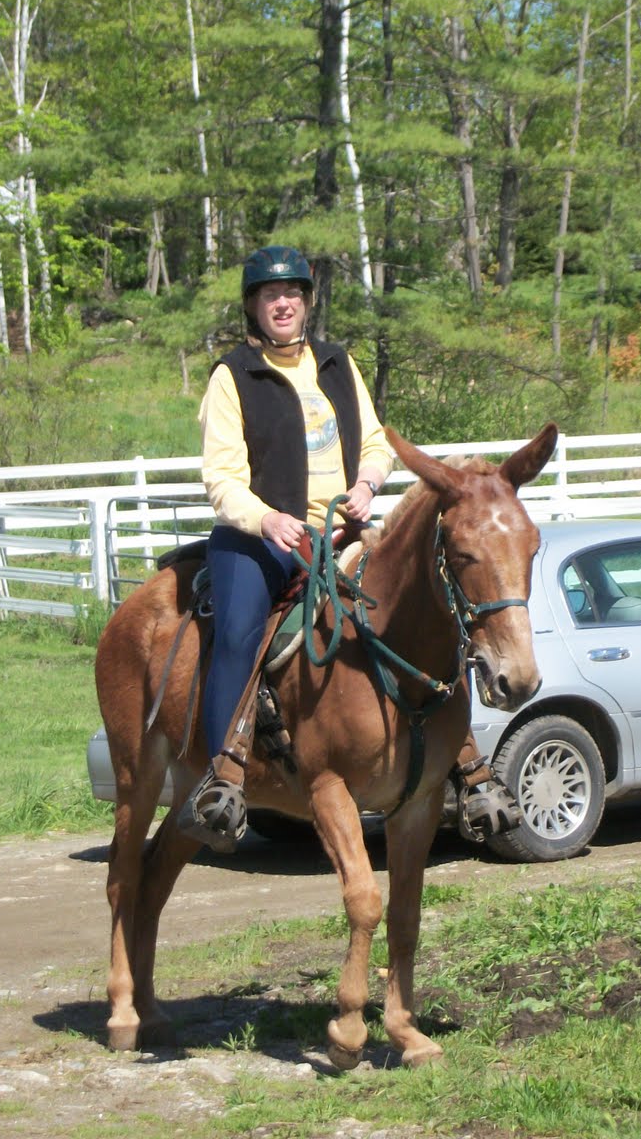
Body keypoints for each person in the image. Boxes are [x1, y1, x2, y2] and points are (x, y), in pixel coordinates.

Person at [179, 244, 396, 851]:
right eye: (271, 295)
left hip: (340, 530)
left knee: (414, 597)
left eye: (293, 294)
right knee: (238, 632)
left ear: (307, 301)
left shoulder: (337, 363)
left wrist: (366, 484)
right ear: (253, 306)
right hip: (261, 537)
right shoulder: (232, 376)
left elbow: (376, 443)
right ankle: (223, 777)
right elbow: (222, 480)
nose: (283, 304)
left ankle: (460, 757)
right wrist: (267, 518)